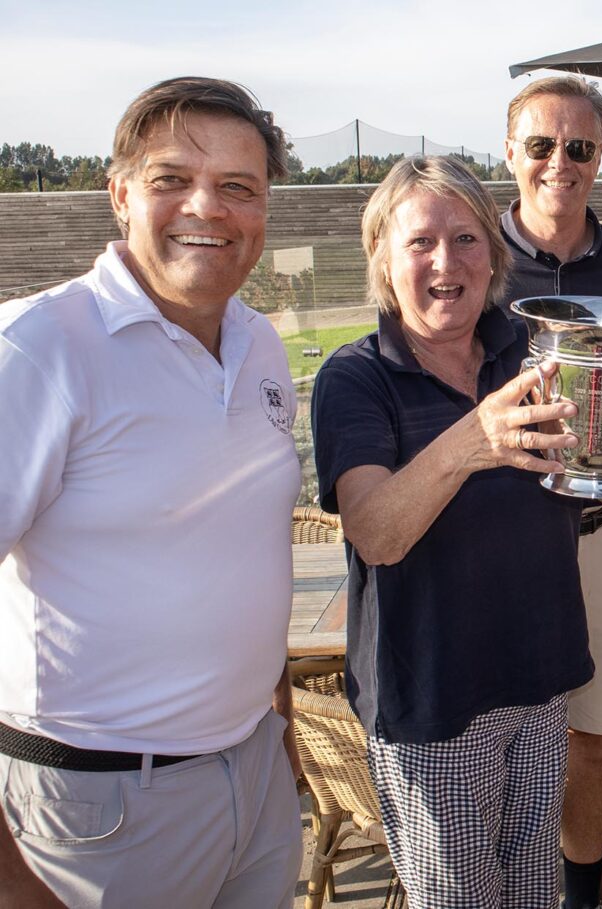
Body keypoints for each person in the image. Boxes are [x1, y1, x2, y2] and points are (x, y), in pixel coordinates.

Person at [311, 155, 602, 907]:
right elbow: (376, 532)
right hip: (434, 707)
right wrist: (471, 439)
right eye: (420, 242)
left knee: (532, 892)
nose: (446, 262)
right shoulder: (356, 377)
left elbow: (583, 486)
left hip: (540, 680)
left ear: (494, 255)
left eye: (467, 239)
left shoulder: (530, 357)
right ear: (383, 256)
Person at [0, 77, 303, 907]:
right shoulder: (37, 350)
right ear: (121, 193)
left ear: (264, 210)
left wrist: (275, 730)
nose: (206, 207)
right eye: (173, 178)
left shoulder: (260, 345)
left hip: (254, 774)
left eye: (238, 187)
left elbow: (246, 547)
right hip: (99, 811)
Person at [498, 74, 602, 909]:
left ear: (599, 157)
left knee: (596, 734)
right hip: (503, 534)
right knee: (512, 732)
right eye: (541, 145)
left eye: (580, 147)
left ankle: (582, 891)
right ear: (510, 154)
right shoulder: (475, 256)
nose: (559, 162)